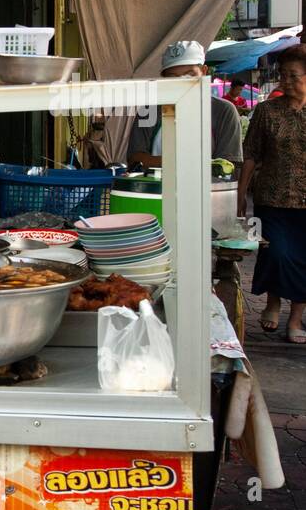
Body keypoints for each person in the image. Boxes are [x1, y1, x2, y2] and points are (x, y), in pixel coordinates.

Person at [239, 43, 306, 342]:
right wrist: (241, 195)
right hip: (272, 198)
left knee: (303, 260)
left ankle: (295, 320)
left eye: (294, 76)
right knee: (277, 253)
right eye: (283, 75)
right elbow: (251, 153)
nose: (286, 82)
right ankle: (273, 302)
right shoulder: (267, 111)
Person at [127, 40, 243, 169]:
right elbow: (135, 159)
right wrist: (185, 163)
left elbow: (226, 165)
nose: (182, 82)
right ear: (163, 78)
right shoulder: (149, 111)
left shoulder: (223, 111)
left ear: (204, 71)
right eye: (173, 77)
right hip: (157, 188)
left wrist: (161, 162)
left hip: (208, 189)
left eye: (190, 75)